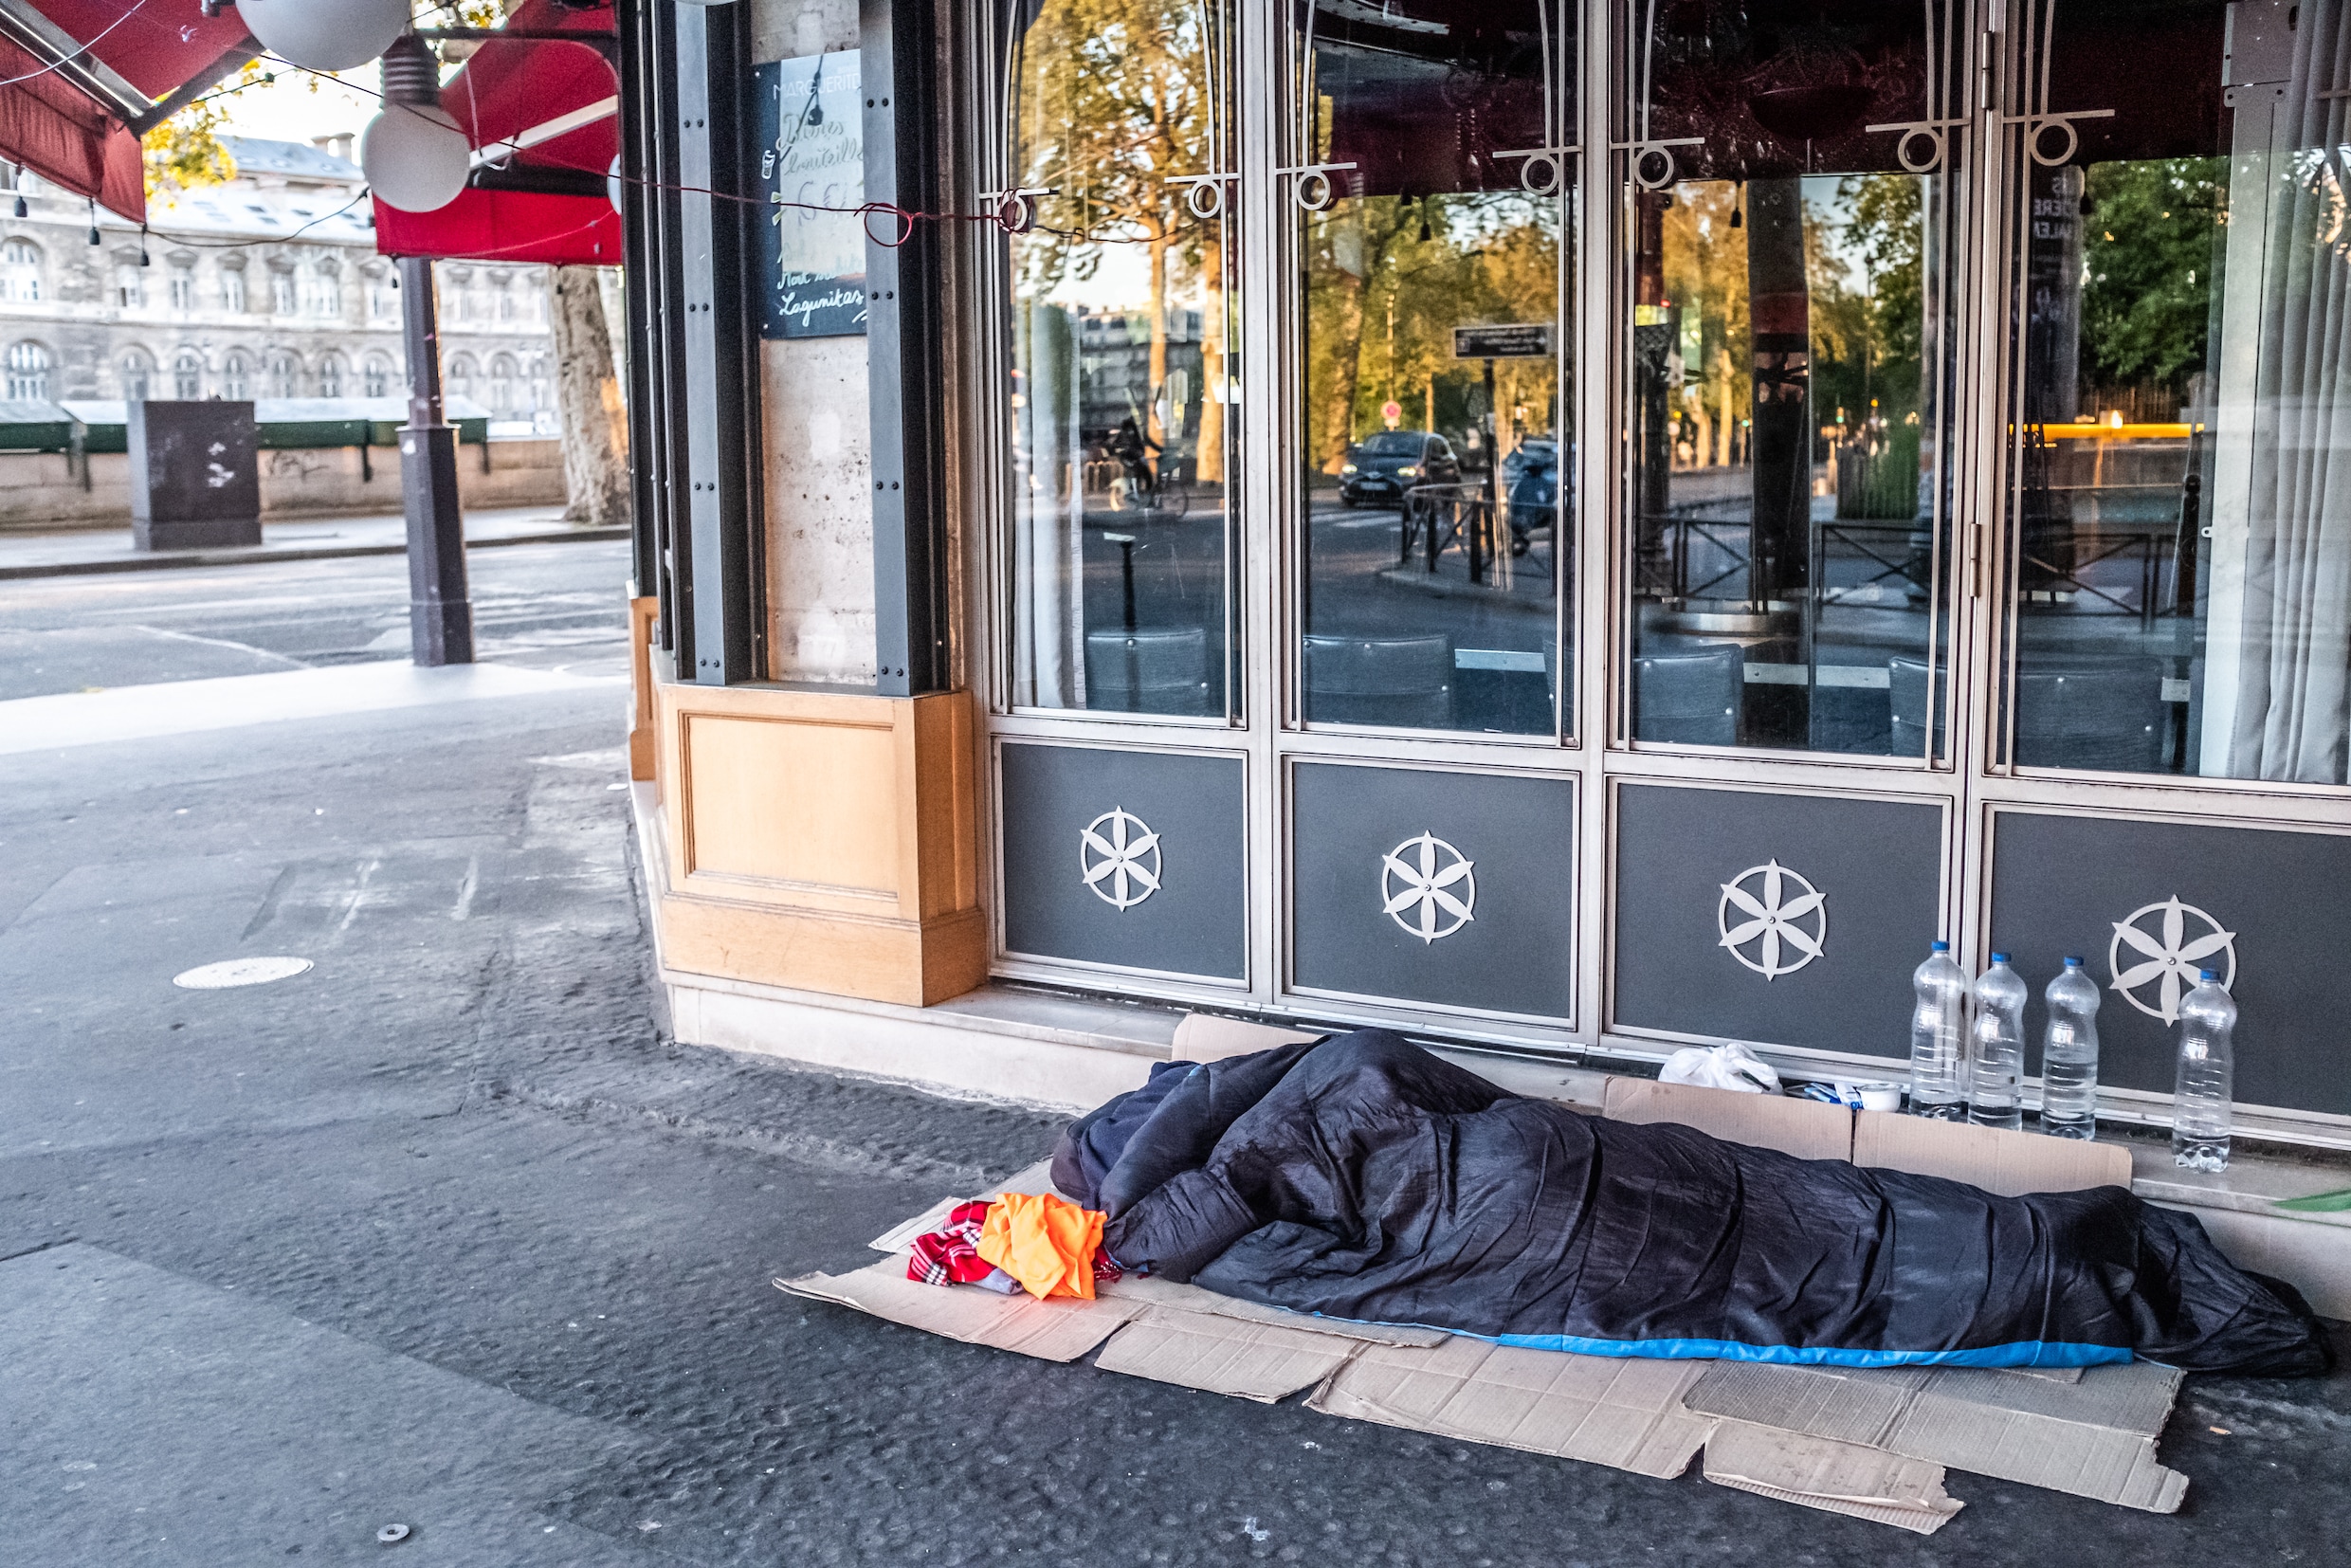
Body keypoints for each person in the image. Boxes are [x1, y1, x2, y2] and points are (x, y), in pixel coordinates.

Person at [1105, 416, 1160, 504]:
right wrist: (1126, 451)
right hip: (1129, 458)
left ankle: (1143, 494)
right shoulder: (1126, 434)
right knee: (1140, 471)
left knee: (1145, 474)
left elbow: (1145, 444)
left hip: (1135, 457)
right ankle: (1135, 492)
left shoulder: (1136, 434)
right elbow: (1116, 446)